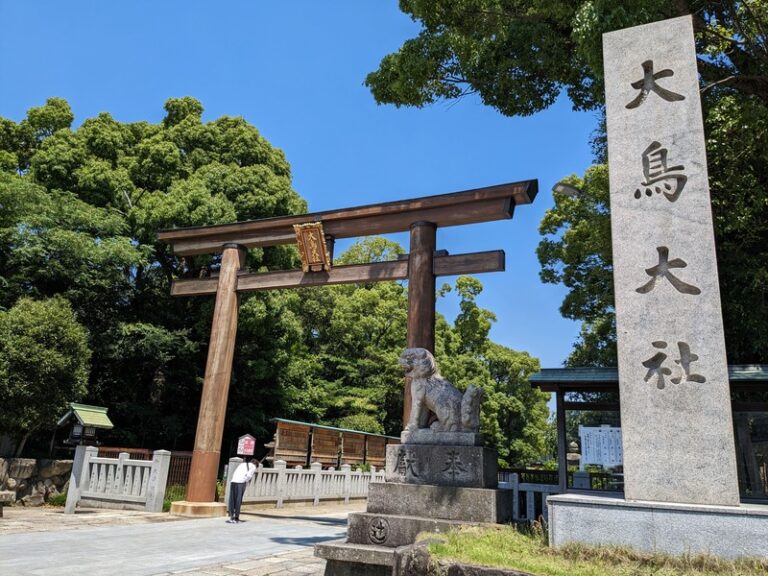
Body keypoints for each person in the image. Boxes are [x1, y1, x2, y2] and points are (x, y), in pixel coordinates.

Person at [227, 457, 256, 523]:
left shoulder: (242, 464)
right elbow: (249, 476)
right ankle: (236, 518)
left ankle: (231, 517)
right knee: (238, 500)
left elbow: (235, 472)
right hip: (240, 483)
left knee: (232, 499)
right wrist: (245, 481)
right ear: (255, 464)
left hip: (233, 481)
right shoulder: (253, 466)